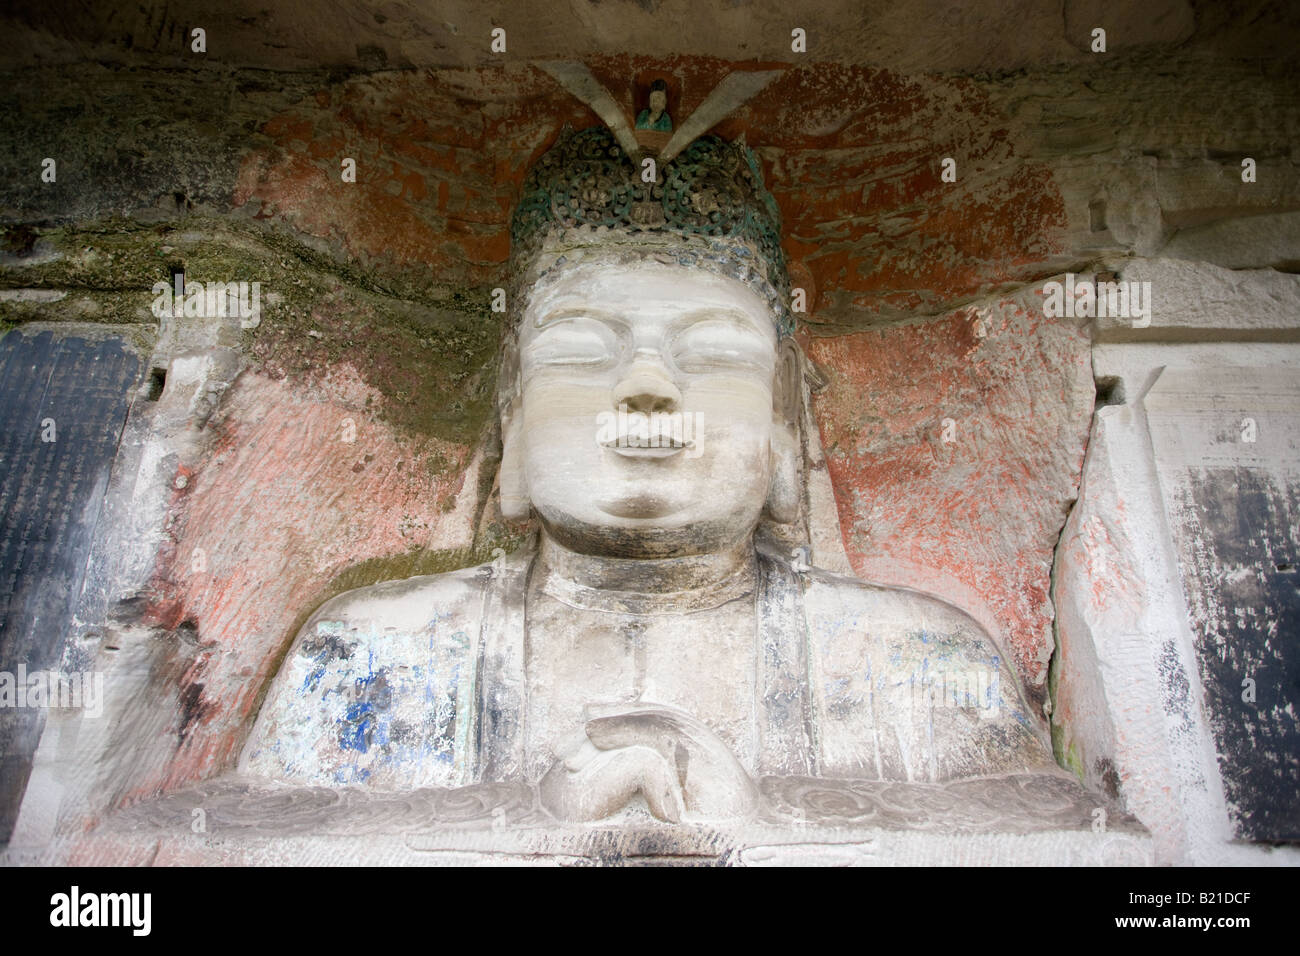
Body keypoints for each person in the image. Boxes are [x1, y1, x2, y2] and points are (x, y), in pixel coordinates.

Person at [241, 128, 1057, 822]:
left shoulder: (926, 670)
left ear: (781, 427)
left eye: (711, 354)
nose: (648, 388)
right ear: (513, 421)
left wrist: (750, 839)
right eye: (581, 351)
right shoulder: (369, 659)